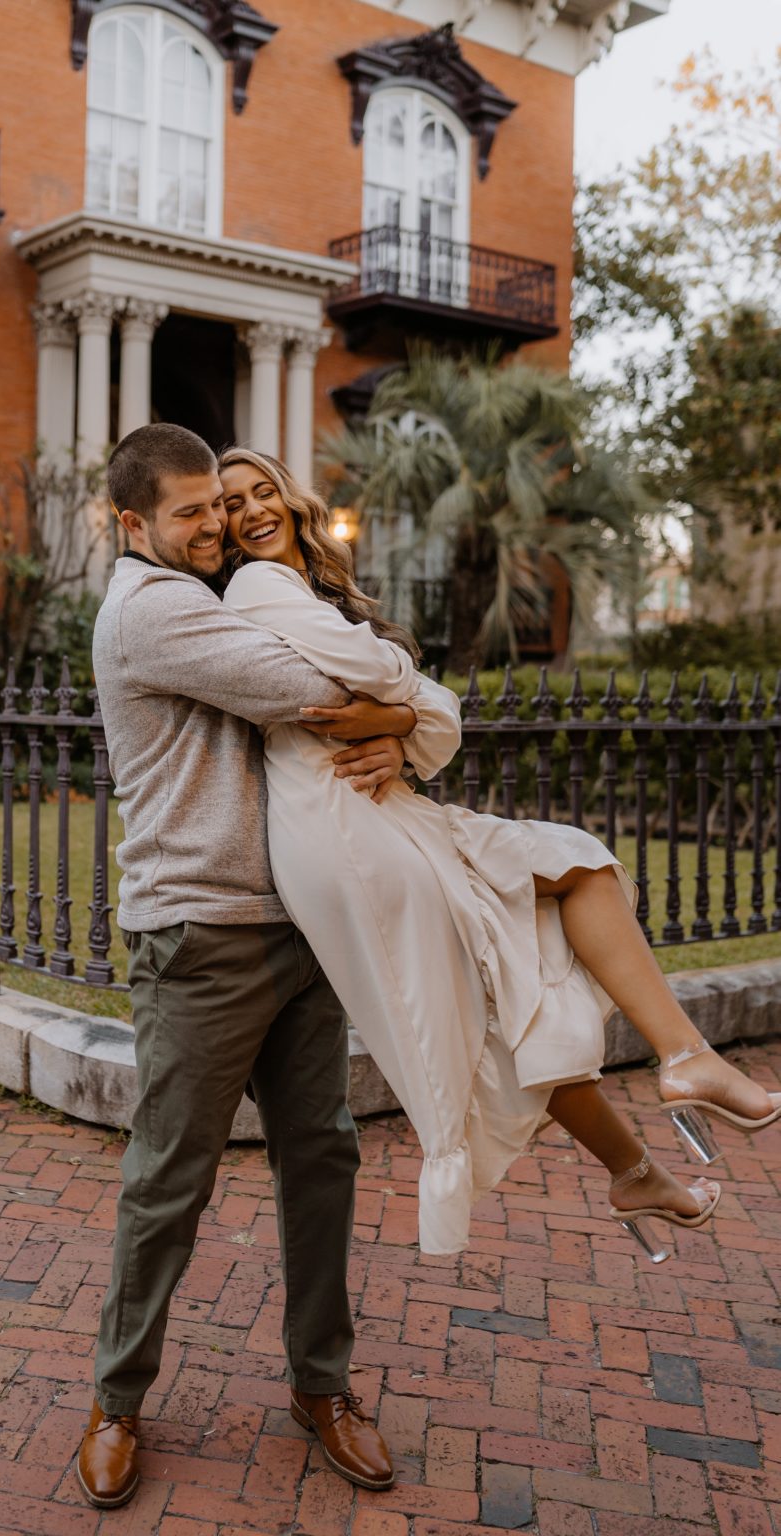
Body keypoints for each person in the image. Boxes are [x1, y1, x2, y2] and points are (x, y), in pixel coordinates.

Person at [215, 446, 781, 1261]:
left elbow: (438, 718)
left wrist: (400, 720)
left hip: (375, 809)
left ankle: (651, 1135)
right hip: (345, 823)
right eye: (231, 504)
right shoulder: (256, 586)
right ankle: (668, 1096)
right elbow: (377, 672)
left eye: (261, 490)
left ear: (290, 498)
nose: (250, 511)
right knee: (541, 925)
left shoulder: (308, 593)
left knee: (552, 919)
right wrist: (402, 704)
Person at [80, 422, 449, 1510]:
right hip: (201, 934)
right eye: (189, 512)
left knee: (322, 1158)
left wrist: (403, 720)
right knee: (169, 1178)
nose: (214, 526)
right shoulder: (154, 610)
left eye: (218, 504)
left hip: (300, 925)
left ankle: (321, 1386)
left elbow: (334, 677)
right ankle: (116, 1401)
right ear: (132, 522)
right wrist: (411, 711)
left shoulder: (223, 593)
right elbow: (315, 687)